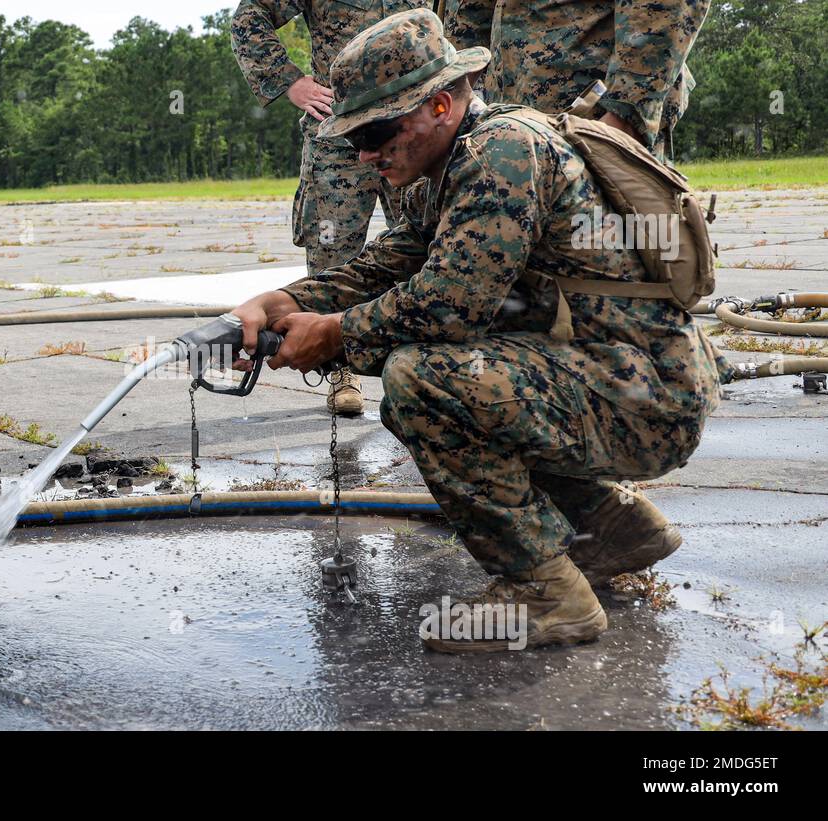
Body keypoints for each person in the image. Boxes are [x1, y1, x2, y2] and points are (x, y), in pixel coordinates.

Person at [231, 9, 725, 651]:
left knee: (423, 379)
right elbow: (391, 263)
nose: (365, 154)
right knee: (448, 380)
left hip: (644, 397)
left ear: (440, 105)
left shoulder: (504, 152)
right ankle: (612, 529)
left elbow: (446, 306)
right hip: (616, 381)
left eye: (379, 132)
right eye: (355, 137)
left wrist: (333, 333)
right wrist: (282, 300)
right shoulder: (458, 157)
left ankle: (546, 594)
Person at [232, 0, 427, 416]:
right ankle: (340, 370)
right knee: (332, 255)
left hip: (417, 126)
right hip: (339, 132)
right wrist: (290, 81)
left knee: (426, 245)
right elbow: (251, 16)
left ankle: (422, 372)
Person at [440, 0, 709, 159]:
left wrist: (624, 116)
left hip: (592, 125)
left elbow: (665, 8)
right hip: (513, 130)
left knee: (606, 246)